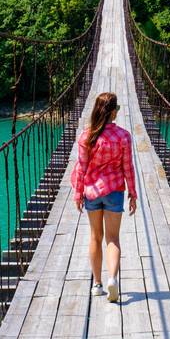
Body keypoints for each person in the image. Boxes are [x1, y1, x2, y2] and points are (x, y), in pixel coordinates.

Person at [72, 91, 137, 303]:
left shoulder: (86, 136)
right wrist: (133, 194)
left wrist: (78, 192)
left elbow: (81, 168)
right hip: (115, 192)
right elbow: (128, 168)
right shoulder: (124, 137)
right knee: (113, 239)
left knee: (95, 237)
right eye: (117, 109)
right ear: (113, 112)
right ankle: (112, 279)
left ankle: (98, 285)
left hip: (92, 192)